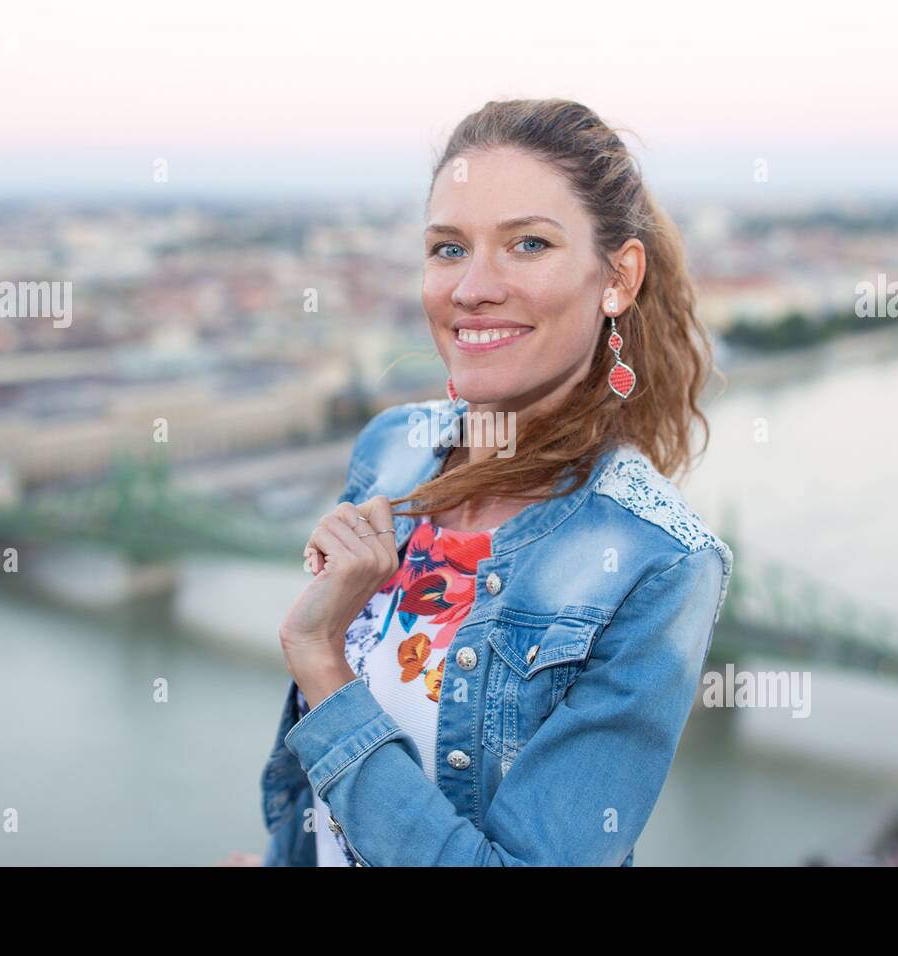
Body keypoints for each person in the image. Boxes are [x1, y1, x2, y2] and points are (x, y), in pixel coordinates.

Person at [259, 98, 733, 866]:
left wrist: (322, 663)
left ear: (617, 278)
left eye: (528, 244)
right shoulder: (393, 449)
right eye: (449, 249)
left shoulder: (661, 563)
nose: (473, 288)